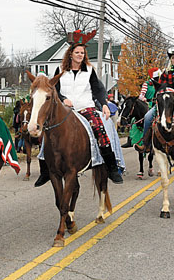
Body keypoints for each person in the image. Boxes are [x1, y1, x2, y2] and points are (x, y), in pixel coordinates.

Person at [36, 30, 123, 185]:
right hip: (64, 109)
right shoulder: (60, 71)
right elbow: (53, 89)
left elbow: (98, 89)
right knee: (47, 131)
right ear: (70, 54)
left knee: (99, 129)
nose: (80, 55)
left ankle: (112, 168)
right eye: (77, 52)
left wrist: (103, 104)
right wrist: (63, 99)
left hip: (85, 107)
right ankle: (45, 171)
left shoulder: (89, 70)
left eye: (82, 53)